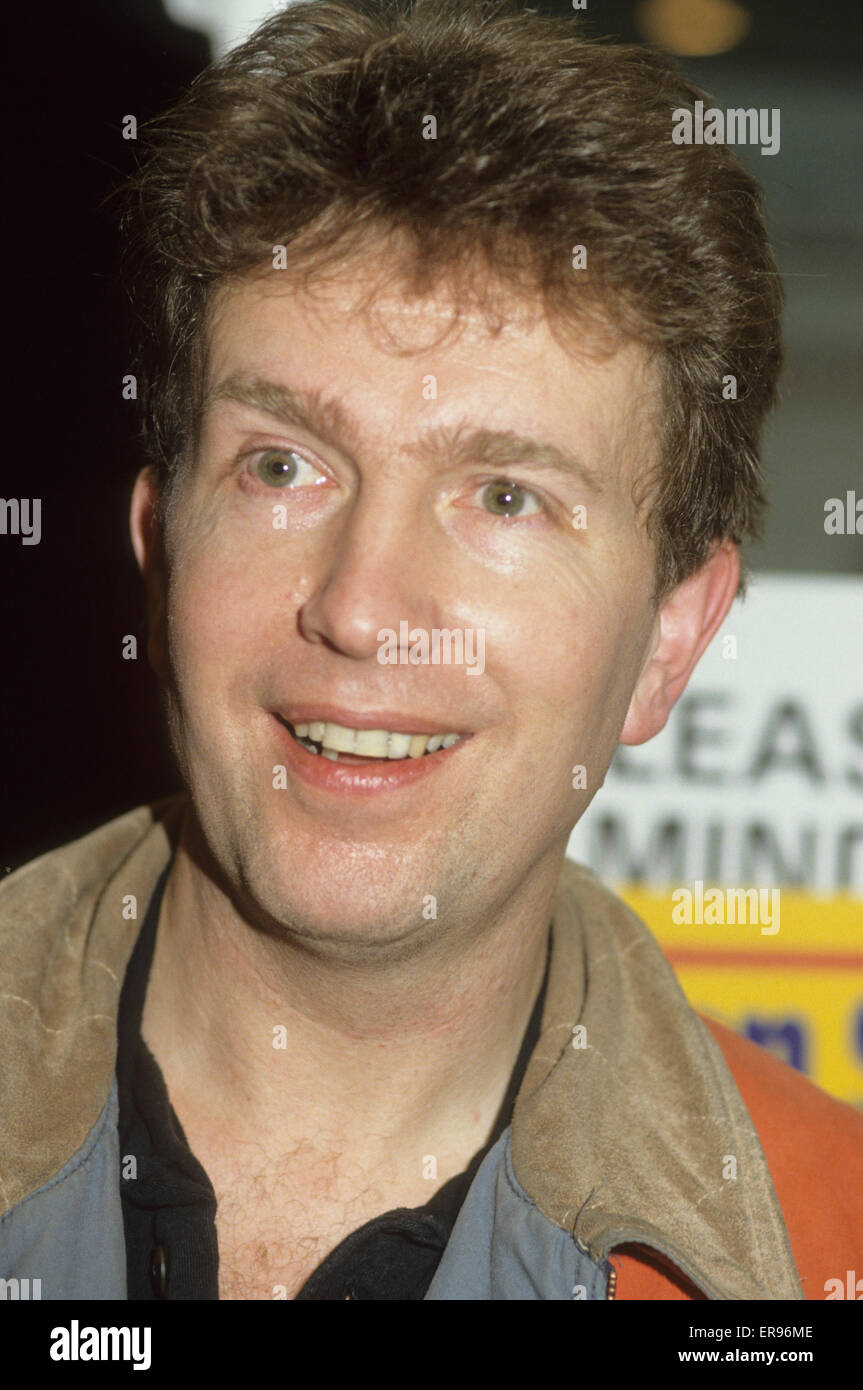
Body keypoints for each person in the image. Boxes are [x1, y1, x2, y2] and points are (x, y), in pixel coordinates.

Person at [1, 0, 860, 1302]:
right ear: (159, 545)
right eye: (283, 465)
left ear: (672, 638)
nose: (362, 605)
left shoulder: (821, 1239)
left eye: (506, 496)